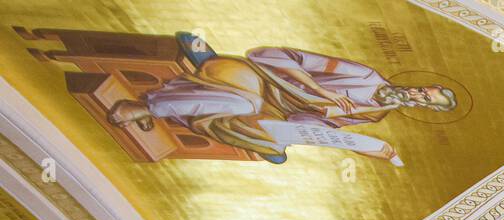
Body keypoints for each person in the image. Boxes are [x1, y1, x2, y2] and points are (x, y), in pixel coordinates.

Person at [106, 33, 457, 165]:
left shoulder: (375, 115)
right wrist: (321, 92)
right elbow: (290, 59)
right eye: (422, 91)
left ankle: (171, 110)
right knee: (242, 104)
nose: (416, 97)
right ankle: (144, 106)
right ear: (419, 85)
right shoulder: (365, 76)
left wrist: (343, 139)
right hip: (266, 79)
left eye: (423, 102)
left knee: (265, 139)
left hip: (275, 109)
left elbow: (312, 123)